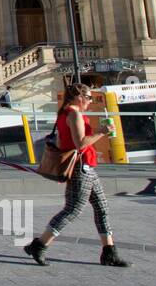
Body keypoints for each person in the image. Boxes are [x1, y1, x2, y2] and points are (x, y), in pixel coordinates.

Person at [24, 83, 130, 268]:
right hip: (82, 166)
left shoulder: (64, 112)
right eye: (88, 97)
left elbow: (61, 140)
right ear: (78, 97)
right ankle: (39, 245)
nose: (89, 101)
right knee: (73, 209)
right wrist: (102, 132)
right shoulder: (74, 114)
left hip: (86, 166)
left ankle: (109, 252)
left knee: (101, 207)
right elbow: (80, 144)